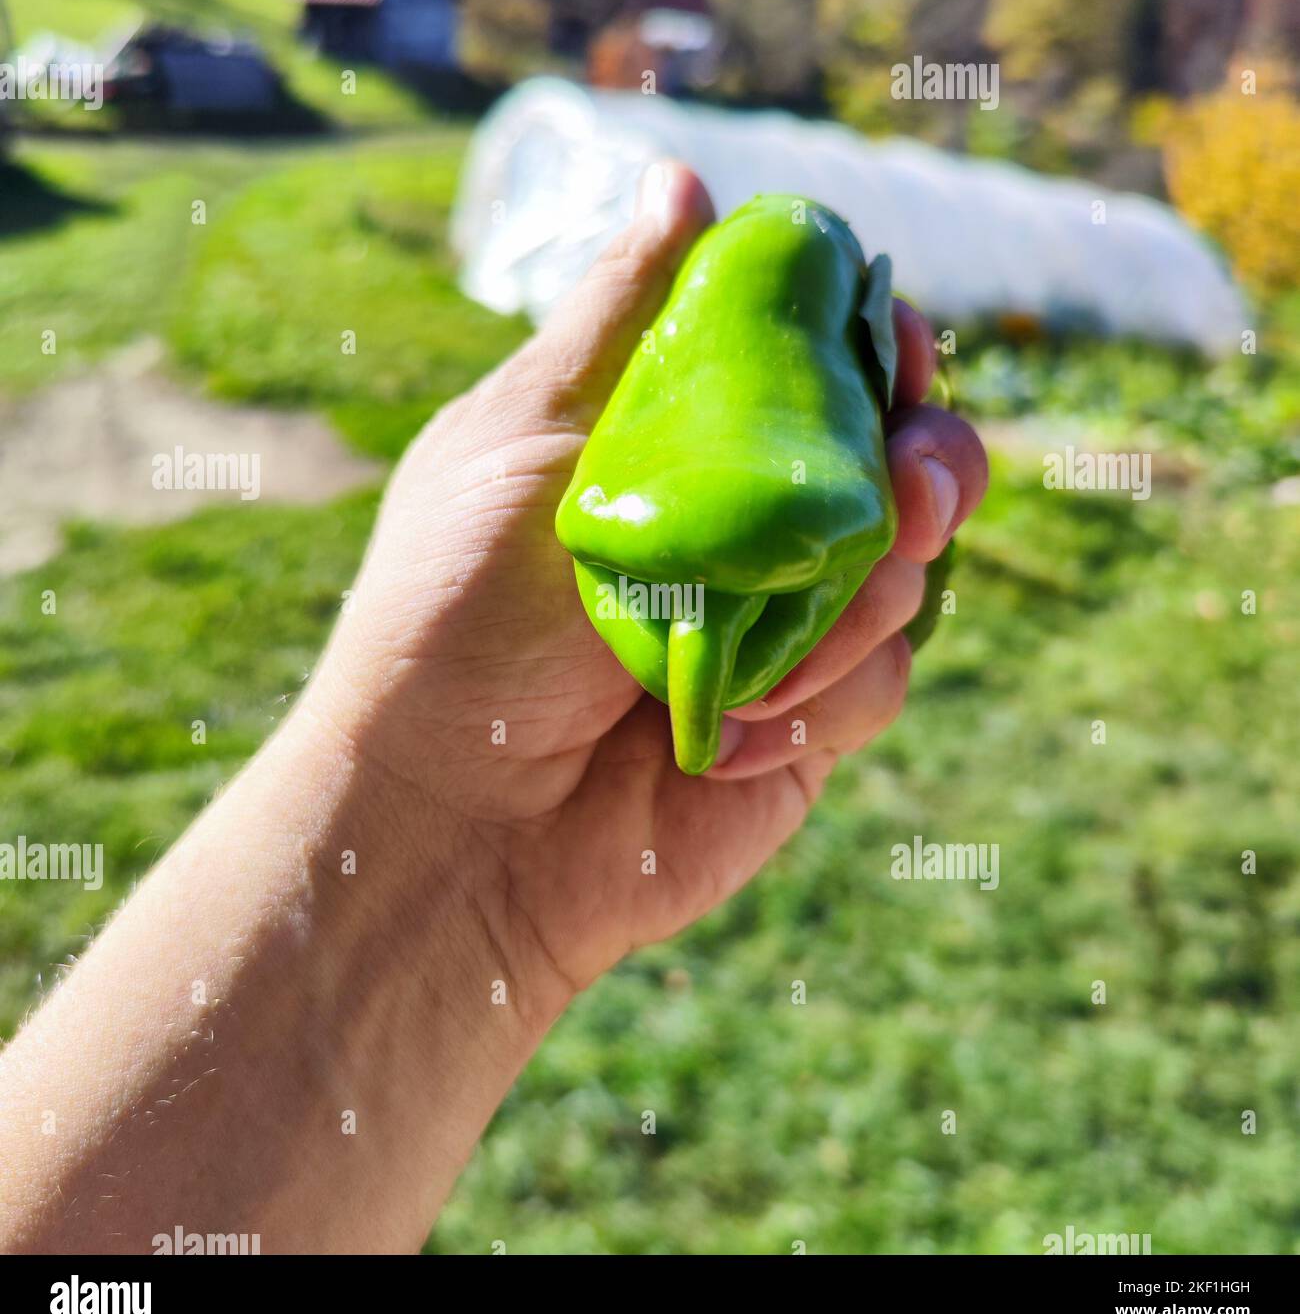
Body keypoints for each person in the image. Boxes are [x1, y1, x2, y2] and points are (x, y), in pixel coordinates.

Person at [0, 163, 987, 1254]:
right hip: (787, 525)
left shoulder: (768, 280)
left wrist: (474, 876)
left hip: (652, 558)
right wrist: (437, 814)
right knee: (854, 526)